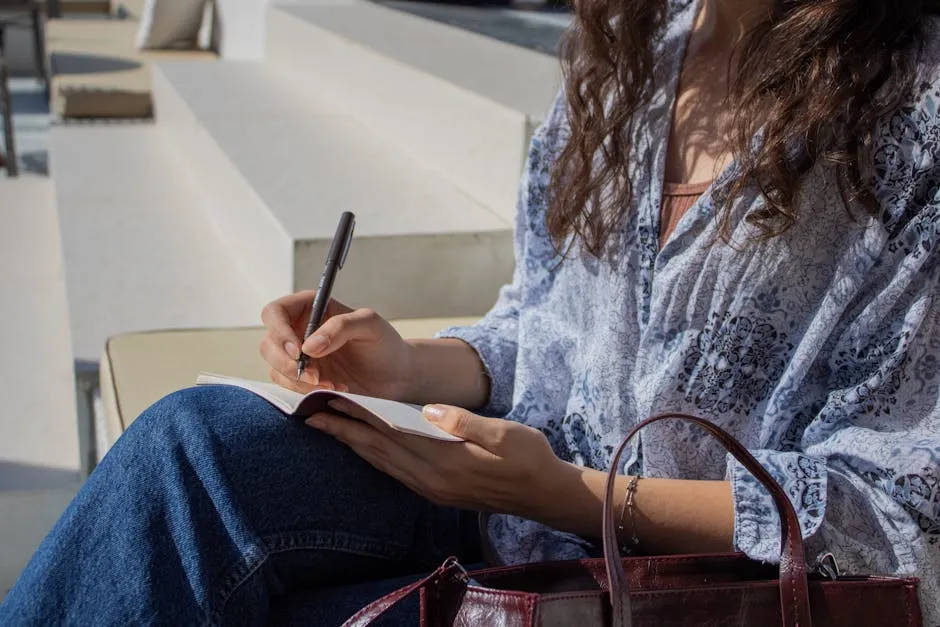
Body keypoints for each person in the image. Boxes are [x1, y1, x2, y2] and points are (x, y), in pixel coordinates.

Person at [3, 0, 939, 624]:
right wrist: (412, 368)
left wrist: (563, 494)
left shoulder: (914, 122)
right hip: (505, 514)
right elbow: (542, 323)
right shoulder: (636, 60)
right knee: (192, 451)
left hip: (692, 594)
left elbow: (898, 519)